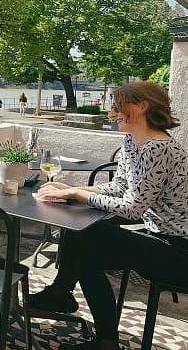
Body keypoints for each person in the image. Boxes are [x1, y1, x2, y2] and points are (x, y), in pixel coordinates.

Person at [34, 81, 188, 350]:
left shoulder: (158, 148)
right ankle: (82, 316)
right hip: (158, 237)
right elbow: (118, 187)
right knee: (81, 233)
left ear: (142, 107)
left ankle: (71, 303)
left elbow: (133, 208)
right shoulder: (132, 141)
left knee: (88, 235)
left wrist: (79, 195)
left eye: (118, 106)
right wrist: (71, 189)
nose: (112, 112)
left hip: (179, 251)